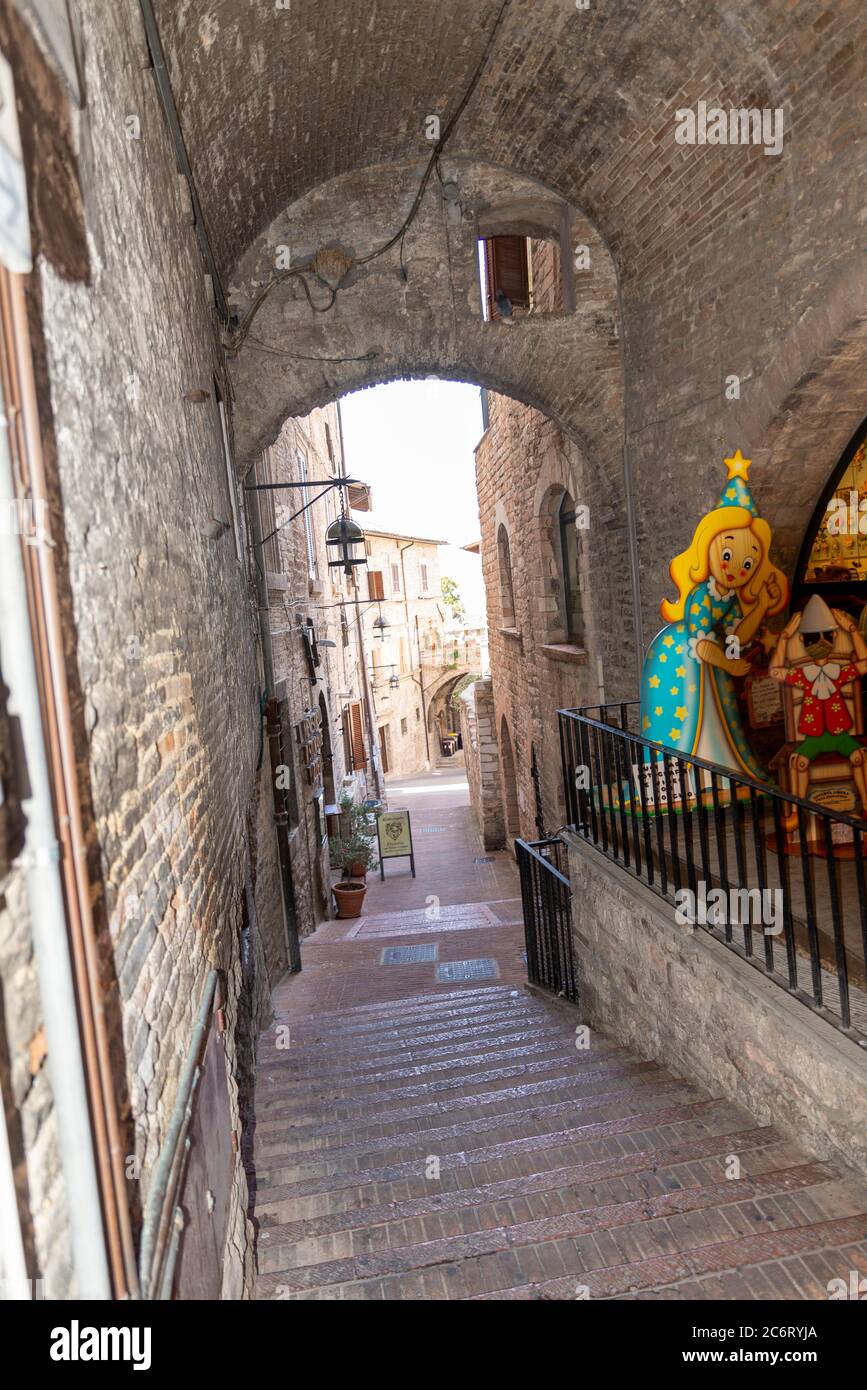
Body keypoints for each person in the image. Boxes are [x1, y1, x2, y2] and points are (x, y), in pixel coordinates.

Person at [640, 452, 788, 782]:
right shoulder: (701, 596)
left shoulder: (728, 597)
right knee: (688, 720)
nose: (737, 567)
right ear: (707, 549)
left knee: (717, 720)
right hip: (683, 658)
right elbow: (703, 644)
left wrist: (762, 604)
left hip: (712, 661)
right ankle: (685, 782)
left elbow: (739, 632)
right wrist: (730, 665)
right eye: (728, 555)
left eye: (747, 563)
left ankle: (718, 776)